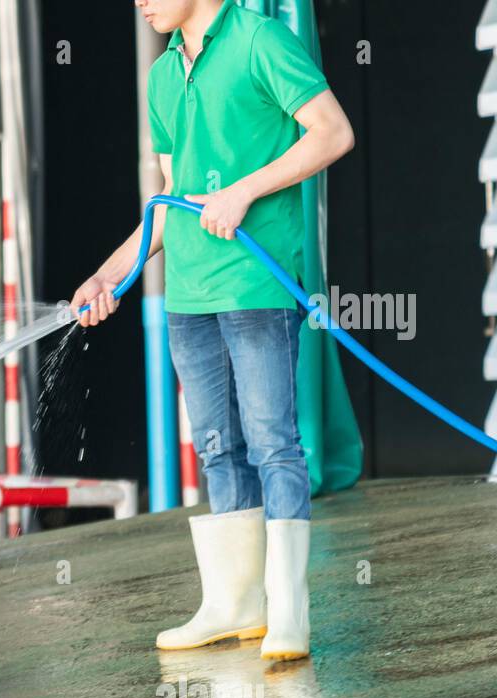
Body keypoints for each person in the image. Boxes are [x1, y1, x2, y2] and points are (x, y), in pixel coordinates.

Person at [70, 0, 355, 661]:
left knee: (273, 446)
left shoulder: (261, 41)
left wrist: (245, 190)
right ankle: (234, 604)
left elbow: (331, 132)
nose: (139, 1)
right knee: (218, 449)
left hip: (256, 286)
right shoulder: (163, 75)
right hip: (188, 297)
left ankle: (288, 613)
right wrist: (108, 276)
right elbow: (169, 201)